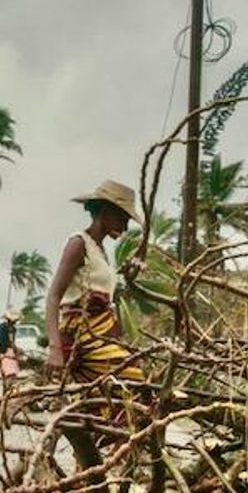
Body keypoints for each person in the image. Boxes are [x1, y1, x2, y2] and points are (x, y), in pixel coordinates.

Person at [44, 180, 145, 473]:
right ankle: (86, 470)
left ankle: (88, 475)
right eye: (123, 218)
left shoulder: (101, 250)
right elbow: (53, 296)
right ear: (104, 211)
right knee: (135, 385)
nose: (125, 227)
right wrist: (54, 348)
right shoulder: (78, 243)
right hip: (82, 337)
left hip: (101, 334)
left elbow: (101, 292)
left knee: (90, 408)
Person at [0, 307, 23, 393]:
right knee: (9, 375)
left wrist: (16, 350)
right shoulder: (2, 328)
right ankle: (8, 393)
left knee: (13, 375)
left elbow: (12, 342)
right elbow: (2, 343)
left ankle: (10, 393)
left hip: (11, 355)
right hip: (5, 355)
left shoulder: (13, 329)